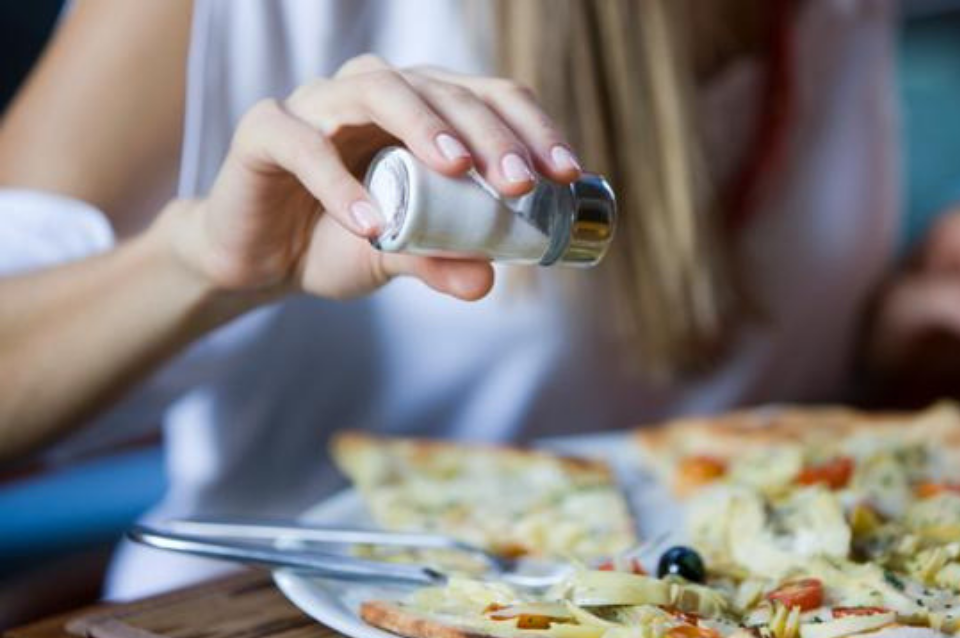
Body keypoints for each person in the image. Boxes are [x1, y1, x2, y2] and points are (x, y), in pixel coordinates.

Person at [1, 0, 957, 598]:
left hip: (737, 600)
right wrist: (203, 260)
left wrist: (887, 324)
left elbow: (704, 400)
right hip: (284, 611)